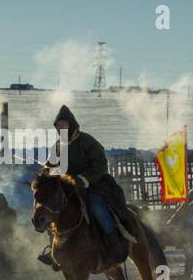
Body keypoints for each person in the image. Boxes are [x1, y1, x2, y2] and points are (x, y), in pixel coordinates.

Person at [38, 105, 137, 267]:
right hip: (69, 190)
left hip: (95, 185)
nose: (62, 128)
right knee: (53, 210)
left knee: (97, 207)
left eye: (64, 124)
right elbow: (53, 165)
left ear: (71, 124)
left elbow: (101, 164)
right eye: (59, 125)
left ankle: (114, 244)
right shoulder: (57, 146)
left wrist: (83, 178)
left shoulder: (86, 141)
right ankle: (56, 250)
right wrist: (46, 170)